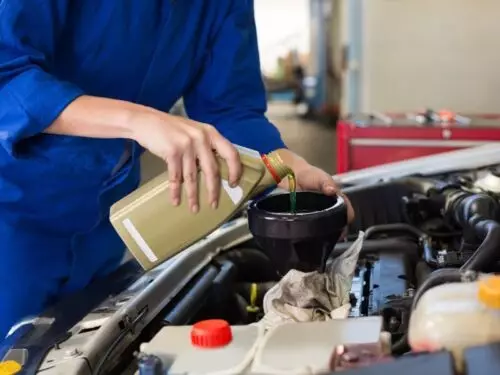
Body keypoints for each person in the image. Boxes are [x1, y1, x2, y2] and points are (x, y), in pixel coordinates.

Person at [0, 0, 354, 339]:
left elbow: (230, 107)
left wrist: (285, 163)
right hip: (12, 214)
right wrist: (136, 120)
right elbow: (7, 74)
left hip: (107, 220)